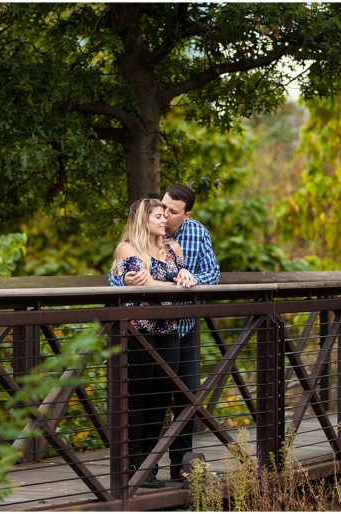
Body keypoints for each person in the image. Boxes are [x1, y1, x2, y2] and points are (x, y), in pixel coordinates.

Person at [109, 184, 220, 481]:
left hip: (175, 327)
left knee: (171, 396)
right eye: (160, 212)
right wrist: (134, 283)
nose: (165, 217)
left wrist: (187, 277)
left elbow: (207, 273)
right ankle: (136, 469)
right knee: (140, 397)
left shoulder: (184, 242)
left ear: (186, 214)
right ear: (146, 218)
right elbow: (125, 279)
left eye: (170, 212)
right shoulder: (129, 246)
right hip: (140, 330)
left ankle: (167, 466)